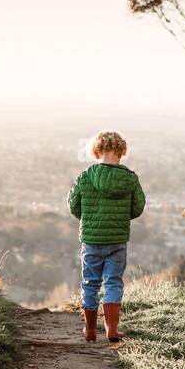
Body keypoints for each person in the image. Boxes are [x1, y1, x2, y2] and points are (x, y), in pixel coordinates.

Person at [67, 131, 145, 343]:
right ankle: (112, 329)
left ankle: (90, 330)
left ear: (95, 151)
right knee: (113, 282)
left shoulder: (85, 177)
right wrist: (120, 217)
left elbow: (74, 206)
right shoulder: (130, 179)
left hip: (91, 241)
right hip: (117, 239)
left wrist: (89, 219)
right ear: (121, 152)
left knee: (90, 283)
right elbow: (138, 207)